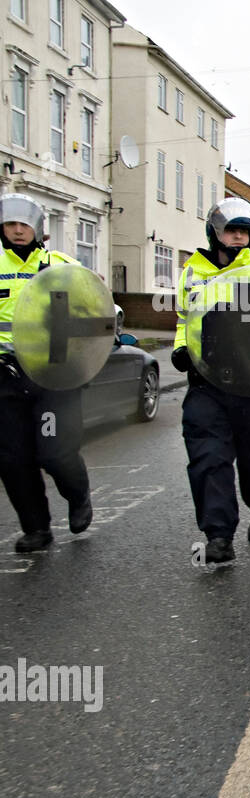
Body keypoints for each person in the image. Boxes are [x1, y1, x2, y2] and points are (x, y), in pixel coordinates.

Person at [171, 197, 250, 564]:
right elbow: (183, 320)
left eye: (244, 231)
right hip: (207, 383)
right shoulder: (191, 273)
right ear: (215, 233)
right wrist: (180, 349)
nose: (237, 238)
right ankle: (219, 535)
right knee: (208, 458)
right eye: (230, 230)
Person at [0, 193, 93, 553]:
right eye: (11, 224)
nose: (18, 231)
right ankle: (37, 529)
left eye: (24, 224)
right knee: (11, 459)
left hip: (52, 378)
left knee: (54, 451)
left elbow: (93, 312)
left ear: (38, 228)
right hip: (5, 377)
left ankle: (78, 492)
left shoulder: (60, 265)